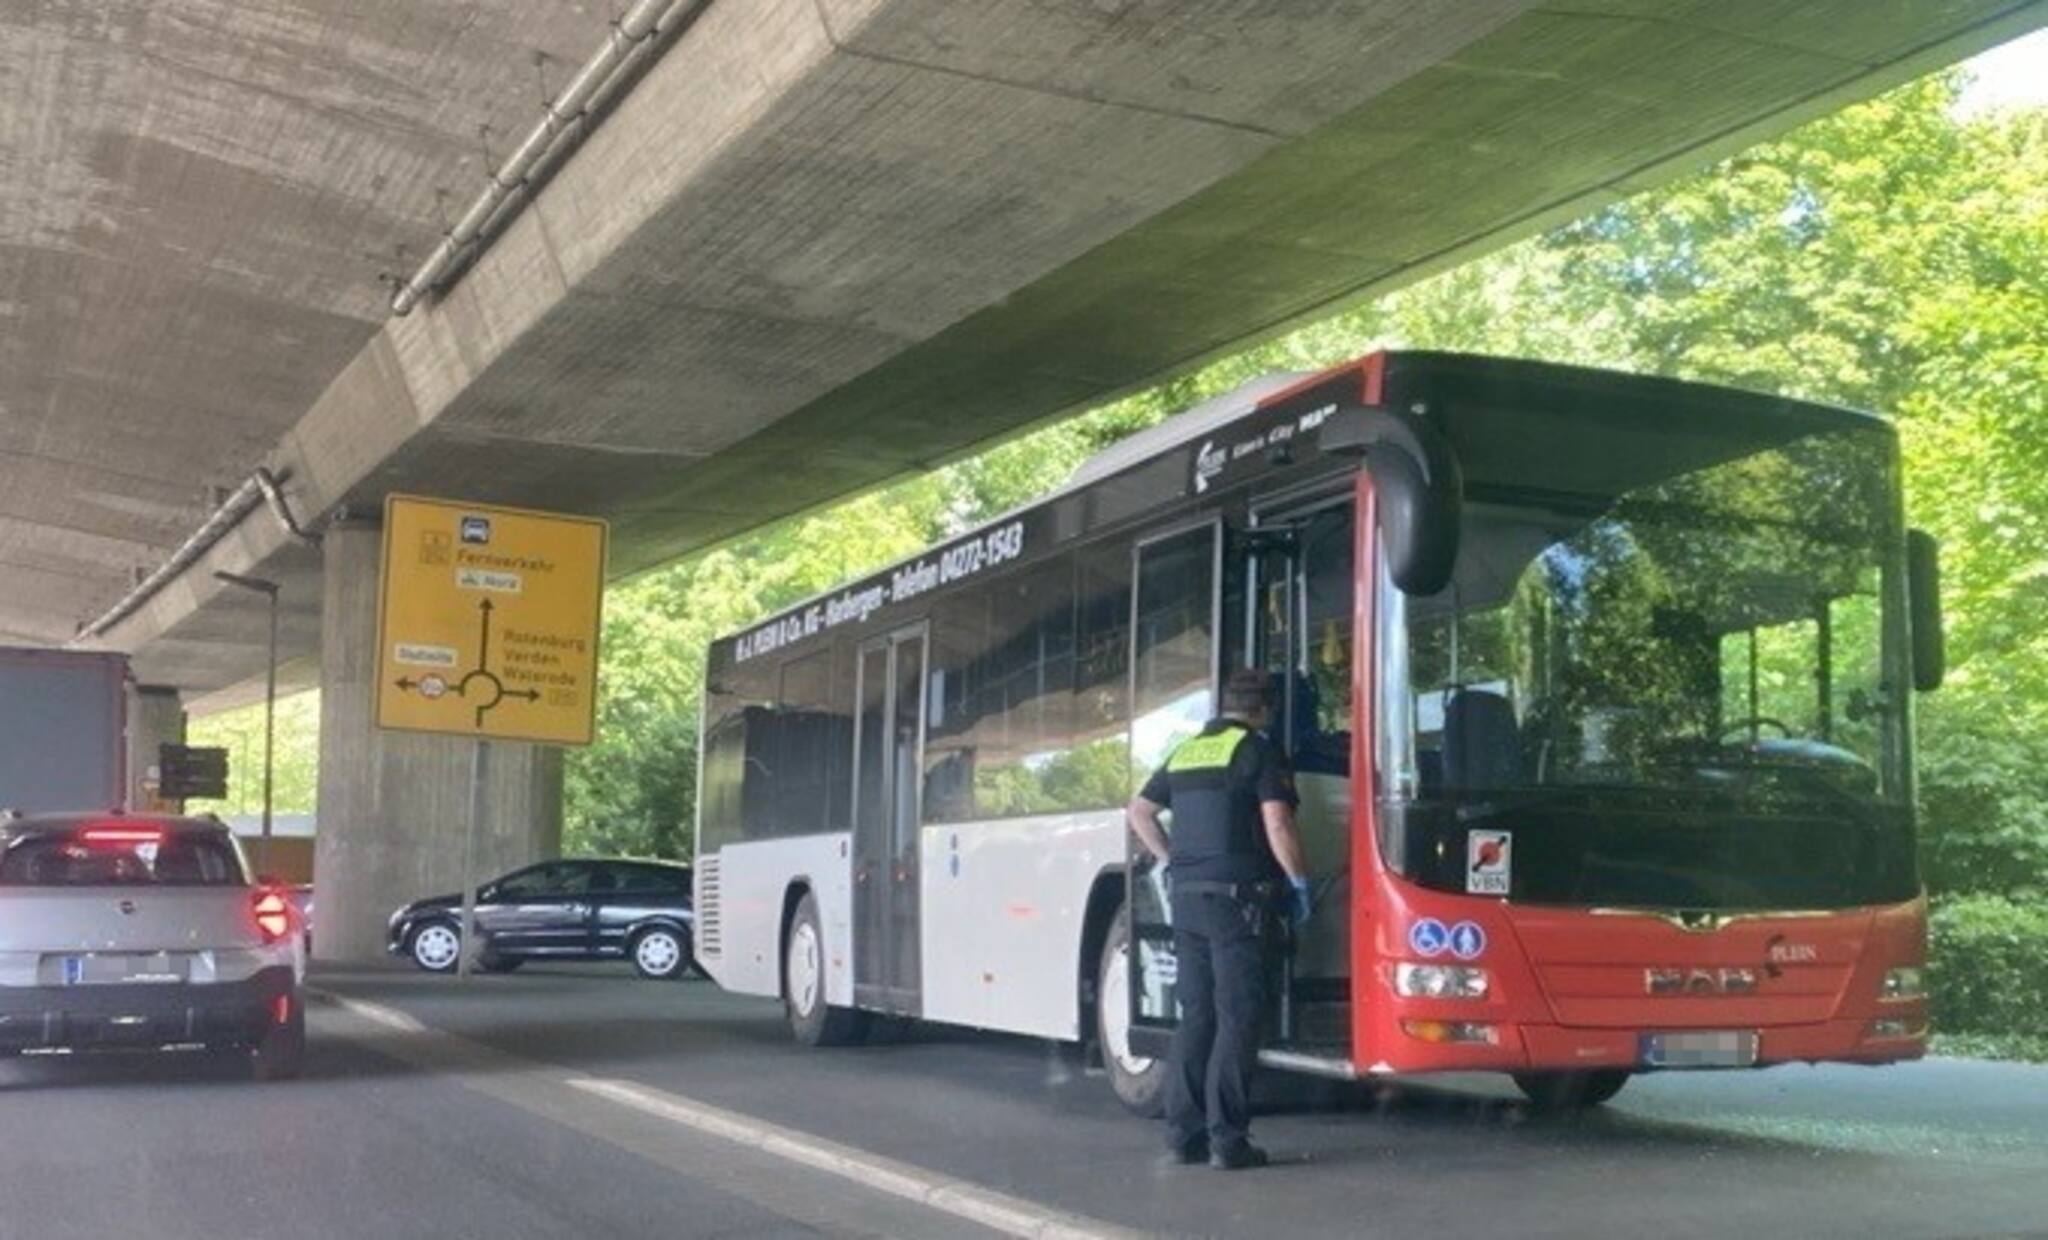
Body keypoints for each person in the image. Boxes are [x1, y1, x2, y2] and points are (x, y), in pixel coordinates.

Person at [1126, 668, 1311, 1171]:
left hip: (1186, 899)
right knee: (1237, 1016)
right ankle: (1228, 1140)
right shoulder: (1259, 749)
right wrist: (1298, 880)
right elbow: (1277, 820)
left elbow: (1139, 811)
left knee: (1197, 1015)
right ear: (1264, 709)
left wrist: (1169, 860)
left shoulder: (1187, 751)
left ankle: (1183, 1135)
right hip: (1239, 902)